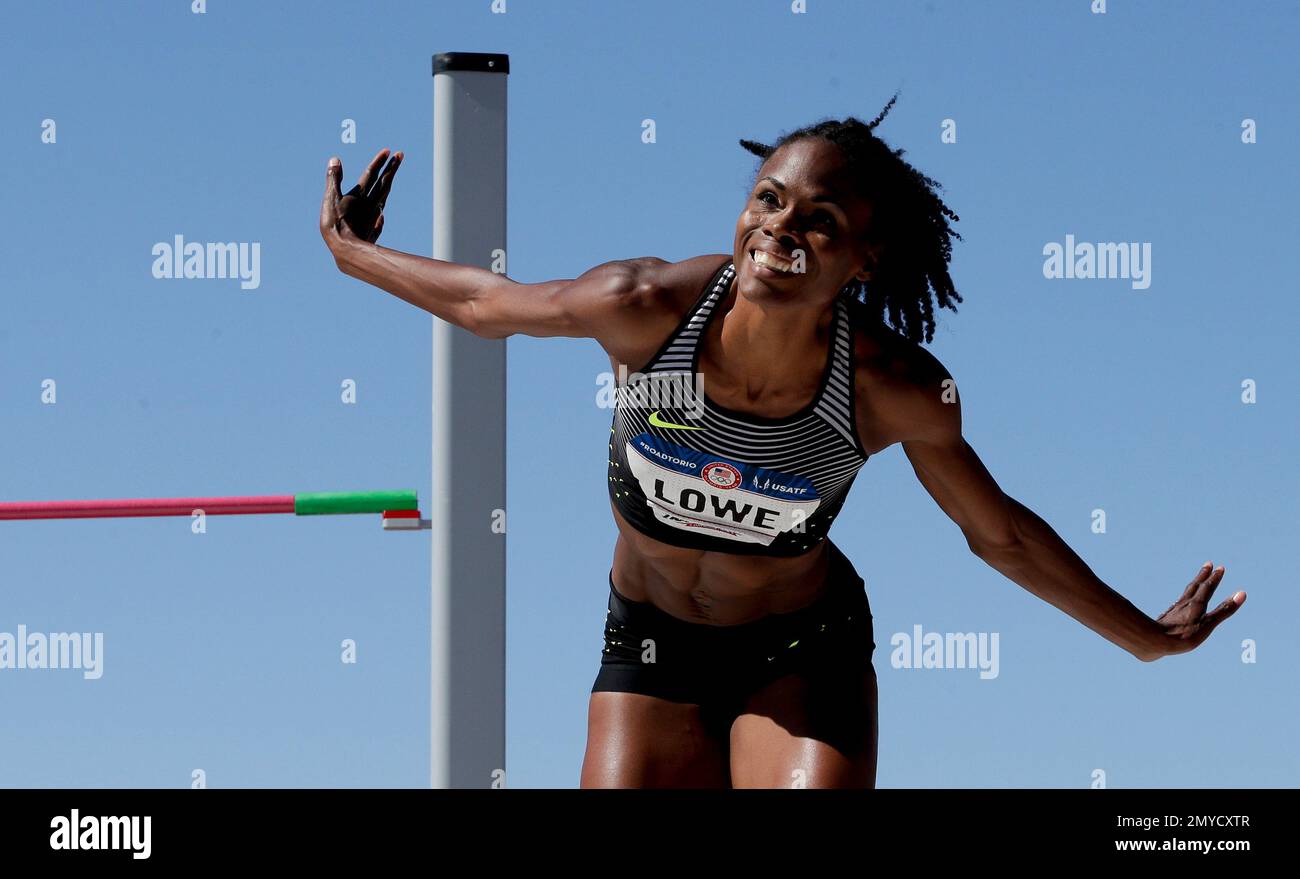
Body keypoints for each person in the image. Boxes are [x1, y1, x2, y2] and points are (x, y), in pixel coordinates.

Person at [318, 95, 1246, 789]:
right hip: (650, 640)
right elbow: (486, 306)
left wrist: (1145, 640)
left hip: (802, 647)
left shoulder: (892, 389)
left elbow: (996, 533)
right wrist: (351, 253)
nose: (779, 230)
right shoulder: (644, 309)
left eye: (821, 221)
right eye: (768, 198)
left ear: (862, 260)